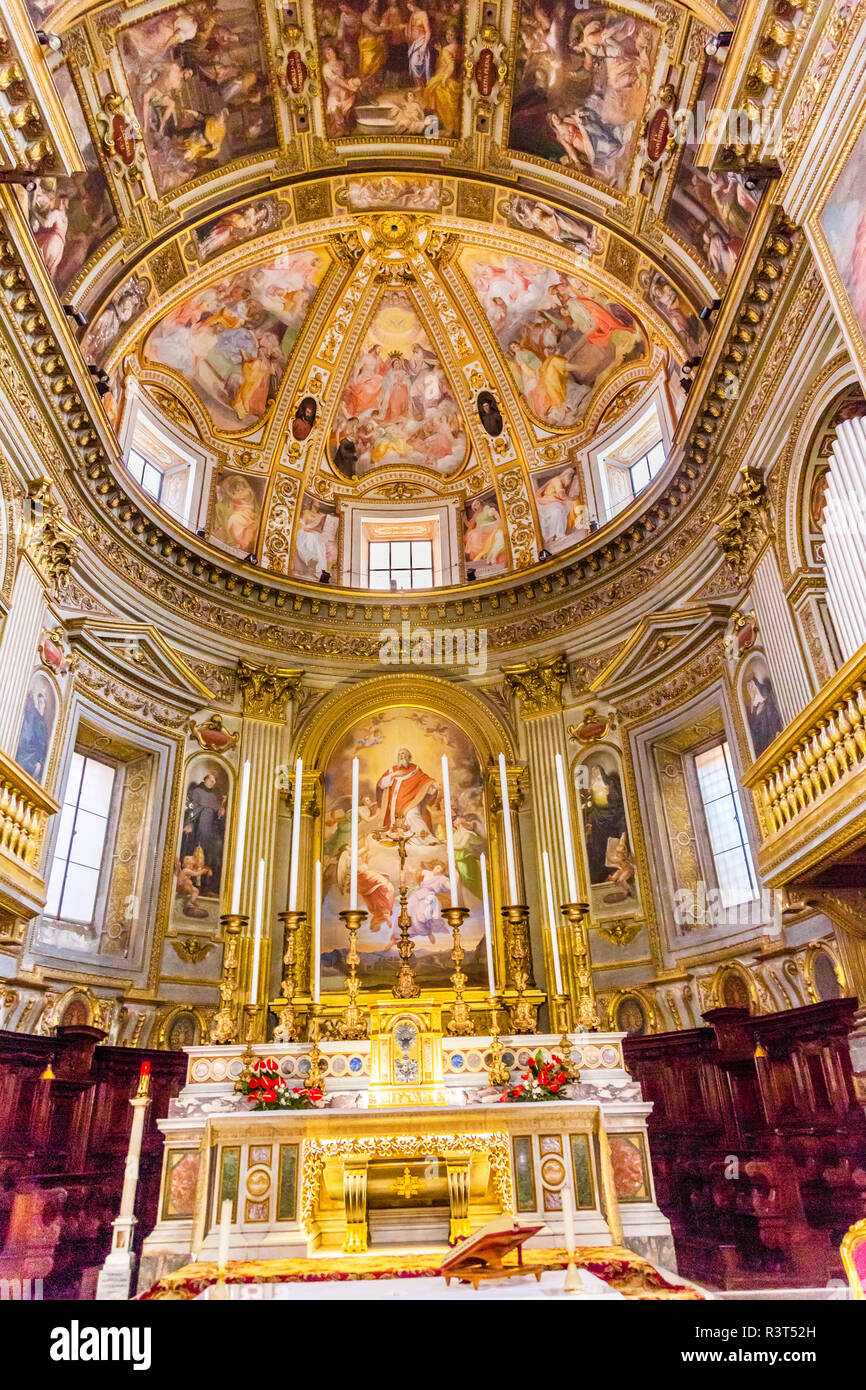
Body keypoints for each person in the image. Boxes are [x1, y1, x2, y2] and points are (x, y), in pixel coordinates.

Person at [376, 746, 437, 838]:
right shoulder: (392, 770)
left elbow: (425, 782)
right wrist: (393, 775)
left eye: (404, 754)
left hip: (411, 803)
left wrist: (433, 787)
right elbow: (381, 784)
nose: (401, 756)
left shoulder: (415, 770)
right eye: (399, 754)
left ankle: (424, 839)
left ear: (409, 757)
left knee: (411, 816)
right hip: (392, 807)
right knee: (394, 827)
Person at [181, 772, 226, 893]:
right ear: (205, 780)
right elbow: (190, 808)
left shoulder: (214, 796)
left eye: (215, 781)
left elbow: (216, 815)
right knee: (197, 852)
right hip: (198, 829)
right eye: (212, 781)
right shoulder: (196, 792)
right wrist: (189, 823)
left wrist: (220, 814)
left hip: (210, 831)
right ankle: (193, 882)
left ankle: (207, 882)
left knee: (214, 850)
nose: (213, 783)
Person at [15, 687, 52, 783]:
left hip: (36, 760)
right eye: (38, 702)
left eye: (42, 703)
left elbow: (43, 746)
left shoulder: (42, 723)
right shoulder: (33, 718)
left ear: (45, 705)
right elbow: (26, 738)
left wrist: (39, 762)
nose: (40, 705)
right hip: (28, 757)